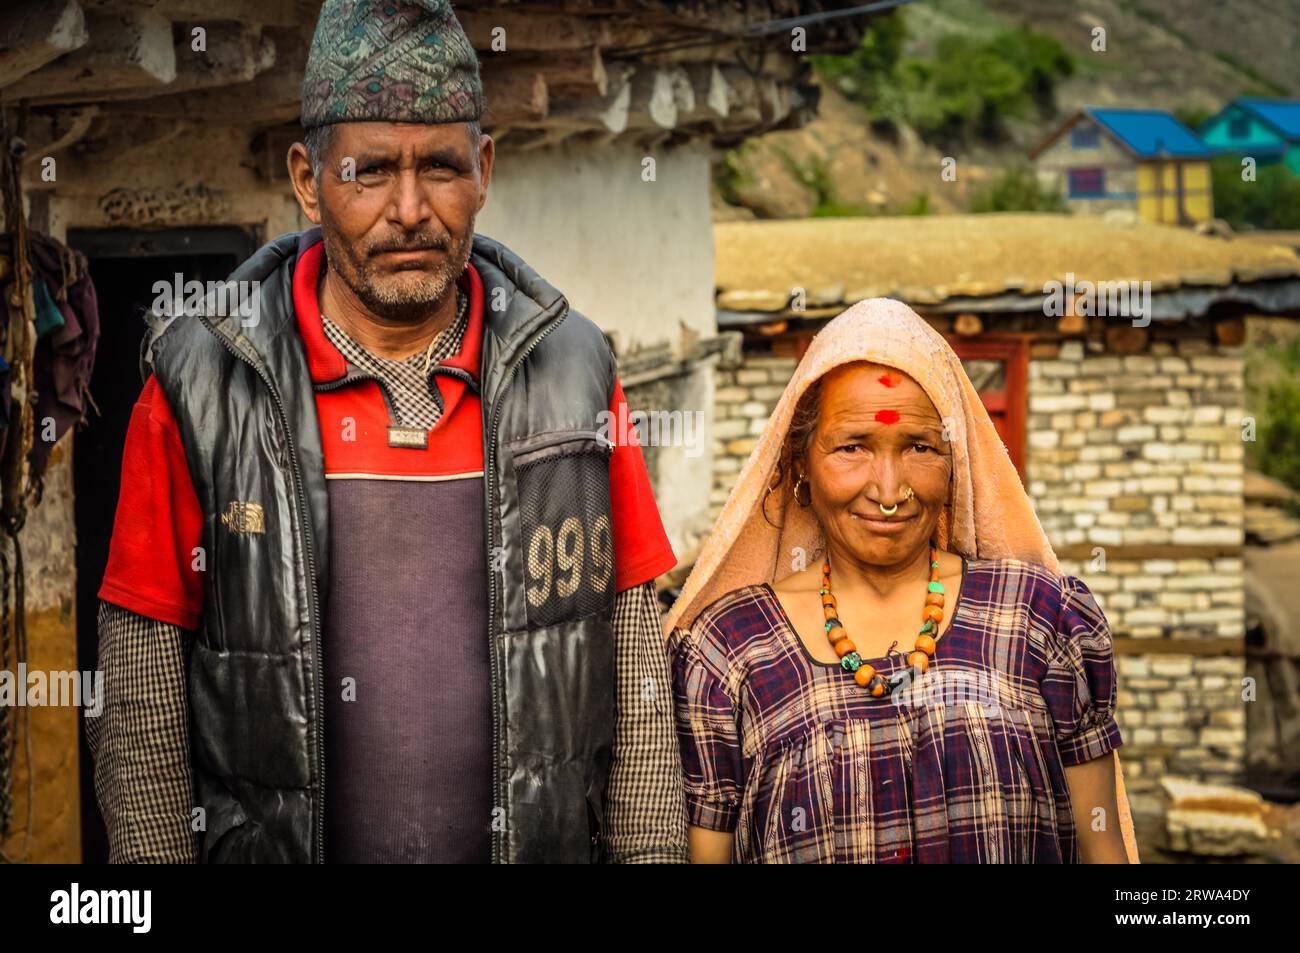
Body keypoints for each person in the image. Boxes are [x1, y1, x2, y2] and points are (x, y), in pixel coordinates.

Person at [88, 0, 687, 864]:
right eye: (370, 173)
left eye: (440, 168)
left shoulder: (573, 370)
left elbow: (631, 674)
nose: (409, 210)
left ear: (483, 168)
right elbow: (142, 709)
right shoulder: (202, 382)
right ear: (307, 177)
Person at [664, 298, 1139, 864]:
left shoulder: (1039, 618)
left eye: (919, 447)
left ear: (953, 462)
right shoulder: (731, 651)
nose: (889, 492)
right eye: (852, 447)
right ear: (800, 464)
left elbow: (1102, 845)